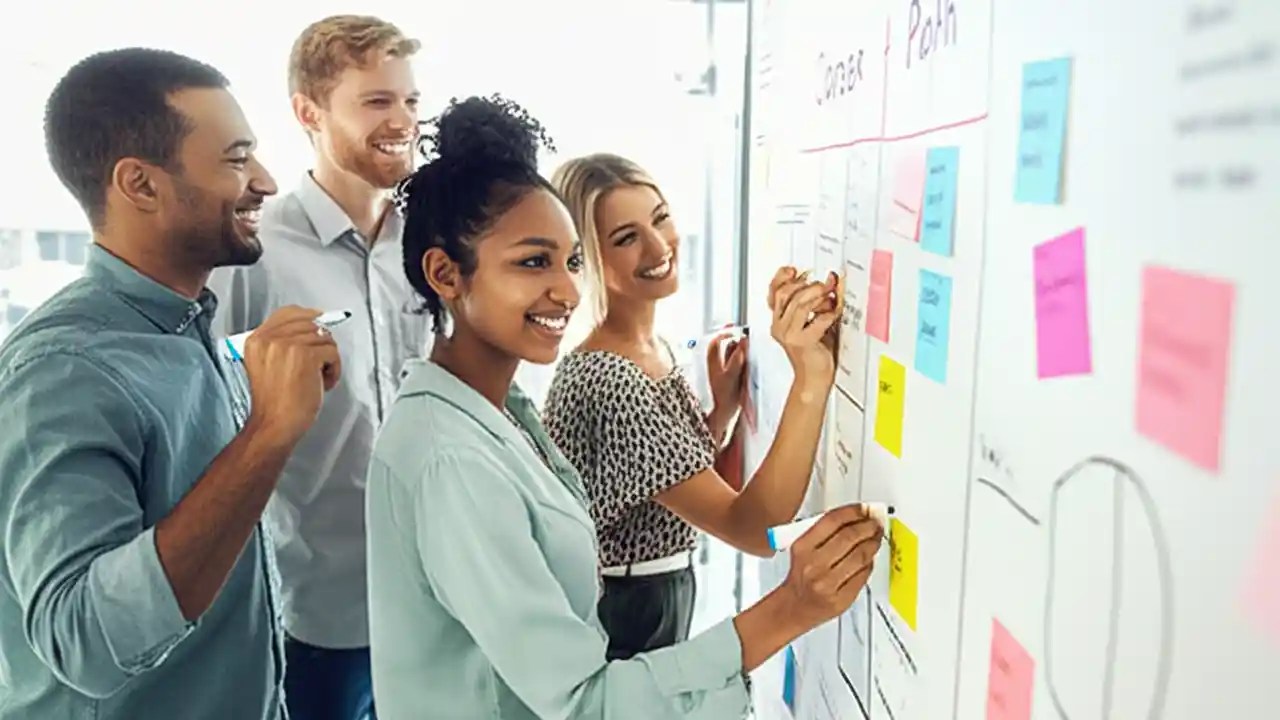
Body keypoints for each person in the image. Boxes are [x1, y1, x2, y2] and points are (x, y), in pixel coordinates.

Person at [364, 94, 883, 719]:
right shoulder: (453, 458)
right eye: (533, 262)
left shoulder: (499, 413)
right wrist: (793, 604)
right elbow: (583, 702)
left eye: (570, 260)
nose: (564, 288)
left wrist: (714, 421)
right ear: (446, 275)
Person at [0, 48, 341, 719]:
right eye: (237, 160)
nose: (267, 182)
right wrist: (268, 435)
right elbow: (85, 640)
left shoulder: (195, 336)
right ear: (141, 185)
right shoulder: (61, 370)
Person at [208, 15, 424, 719]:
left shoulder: (427, 246)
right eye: (377, 102)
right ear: (308, 112)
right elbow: (213, 414)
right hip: (322, 618)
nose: (402, 121)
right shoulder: (254, 251)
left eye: (410, 101)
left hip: (439, 602)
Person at [544, 153, 840, 659]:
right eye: (626, 238)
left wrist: (718, 418)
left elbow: (653, 486)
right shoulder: (609, 379)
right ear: (583, 258)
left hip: (647, 598)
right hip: (623, 614)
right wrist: (811, 380)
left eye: (659, 218)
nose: (659, 246)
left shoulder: (650, 348)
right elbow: (757, 528)